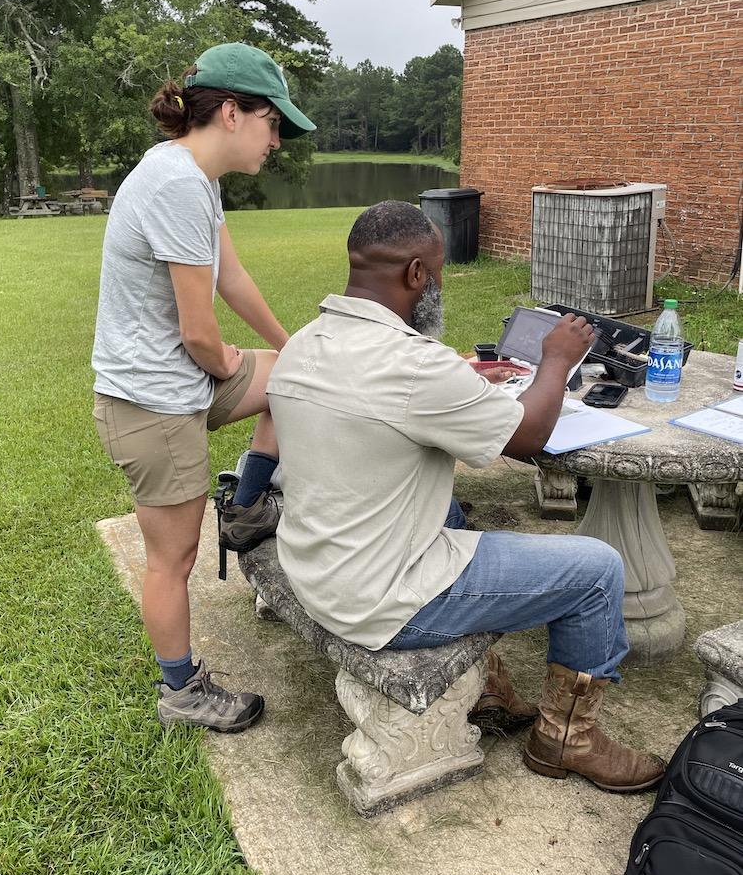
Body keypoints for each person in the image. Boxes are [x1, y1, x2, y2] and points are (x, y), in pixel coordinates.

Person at [267, 201, 666, 792]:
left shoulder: (305, 342)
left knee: (450, 508)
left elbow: (387, 402)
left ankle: (488, 685)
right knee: (597, 569)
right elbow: (526, 436)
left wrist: (466, 382)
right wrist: (557, 359)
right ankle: (566, 738)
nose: (440, 283)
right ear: (415, 274)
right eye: (438, 271)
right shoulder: (413, 364)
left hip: (316, 568)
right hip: (379, 598)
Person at [92, 42, 315, 733]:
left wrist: (292, 349)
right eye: (272, 123)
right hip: (152, 404)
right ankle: (181, 691)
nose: (277, 141)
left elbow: (232, 278)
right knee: (175, 556)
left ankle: (245, 509)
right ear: (231, 112)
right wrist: (227, 363)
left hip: (184, 382)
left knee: (294, 381)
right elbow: (199, 335)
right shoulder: (176, 185)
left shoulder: (196, 177)